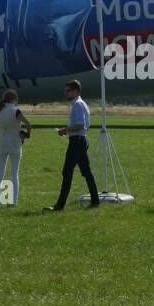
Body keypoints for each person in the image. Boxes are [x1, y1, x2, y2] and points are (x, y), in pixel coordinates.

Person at [44, 80, 100, 211]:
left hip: (77, 141)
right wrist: (68, 129)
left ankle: (60, 206)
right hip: (81, 140)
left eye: (68, 90)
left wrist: (65, 130)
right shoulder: (81, 104)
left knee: (67, 172)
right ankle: (95, 201)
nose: (65, 93)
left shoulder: (77, 105)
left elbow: (81, 125)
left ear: (75, 91)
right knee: (86, 172)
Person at [0, 90, 32, 206]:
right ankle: (12, 201)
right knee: (14, 173)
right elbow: (28, 124)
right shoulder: (16, 111)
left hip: (2, 143)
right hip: (15, 143)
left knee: (0, 173)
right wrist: (26, 134)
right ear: (13, 99)